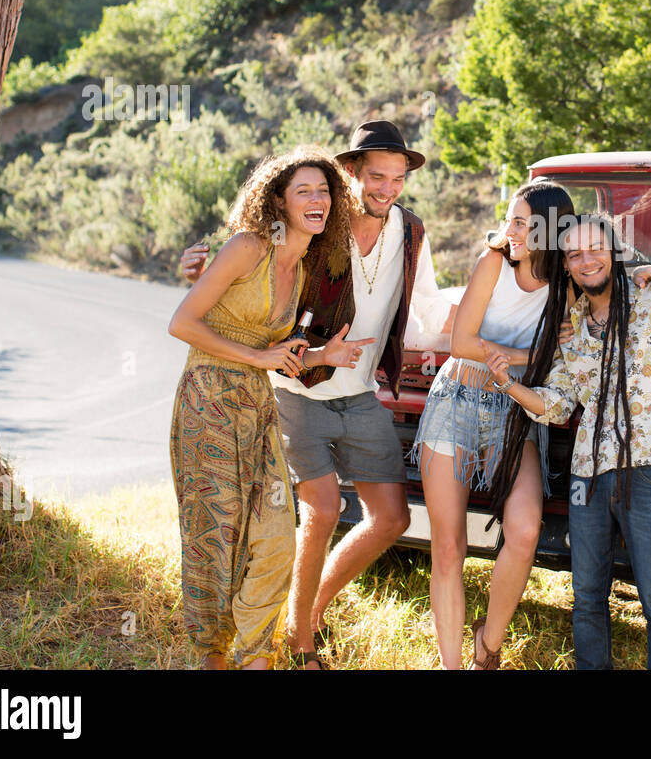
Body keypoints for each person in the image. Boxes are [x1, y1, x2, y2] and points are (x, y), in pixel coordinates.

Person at [179, 120, 454, 669]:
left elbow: (426, 310)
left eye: (398, 178)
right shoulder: (319, 224)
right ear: (350, 172)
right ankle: (299, 642)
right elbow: (248, 258)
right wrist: (196, 266)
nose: (387, 188)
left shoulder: (412, 233)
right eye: (376, 176)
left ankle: (310, 611)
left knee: (392, 518)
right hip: (295, 387)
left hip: (359, 392)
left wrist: (477, 336)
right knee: (323, 509)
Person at [416, 184, 651, 669]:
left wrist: (639, 270)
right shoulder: (495, 262)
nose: (508, 231)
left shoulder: (568, 276)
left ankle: (486, 646)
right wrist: (527, 356)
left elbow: (603, 276)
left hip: (518, 410)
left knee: (524, 528)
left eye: (521, 223)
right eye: (510, 220)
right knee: (448, 544)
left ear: (549, 229)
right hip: (458, 397)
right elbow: (460, 343)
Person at [484, 214, 651, 670]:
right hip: (587, 474)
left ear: (614, 253)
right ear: (568, 267)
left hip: (650, 467)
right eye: (574, 255)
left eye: (595, 249)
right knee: (587, 595)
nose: (586, 260)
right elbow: (557, 404)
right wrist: (508, 384)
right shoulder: (570, 326)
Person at [167, 147, 372, 670]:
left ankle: (255, 655)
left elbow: (280, 357)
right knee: (215, 539)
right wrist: (259, 355)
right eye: (303, 190)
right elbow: (183, 323)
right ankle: (210, 658)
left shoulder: (302, 269)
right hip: (208, 402)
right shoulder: (248, 247)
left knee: (277, 534)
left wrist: (326, 355)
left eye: (325, 191)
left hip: (256, 407)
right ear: (277, 202)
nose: (317, 199)